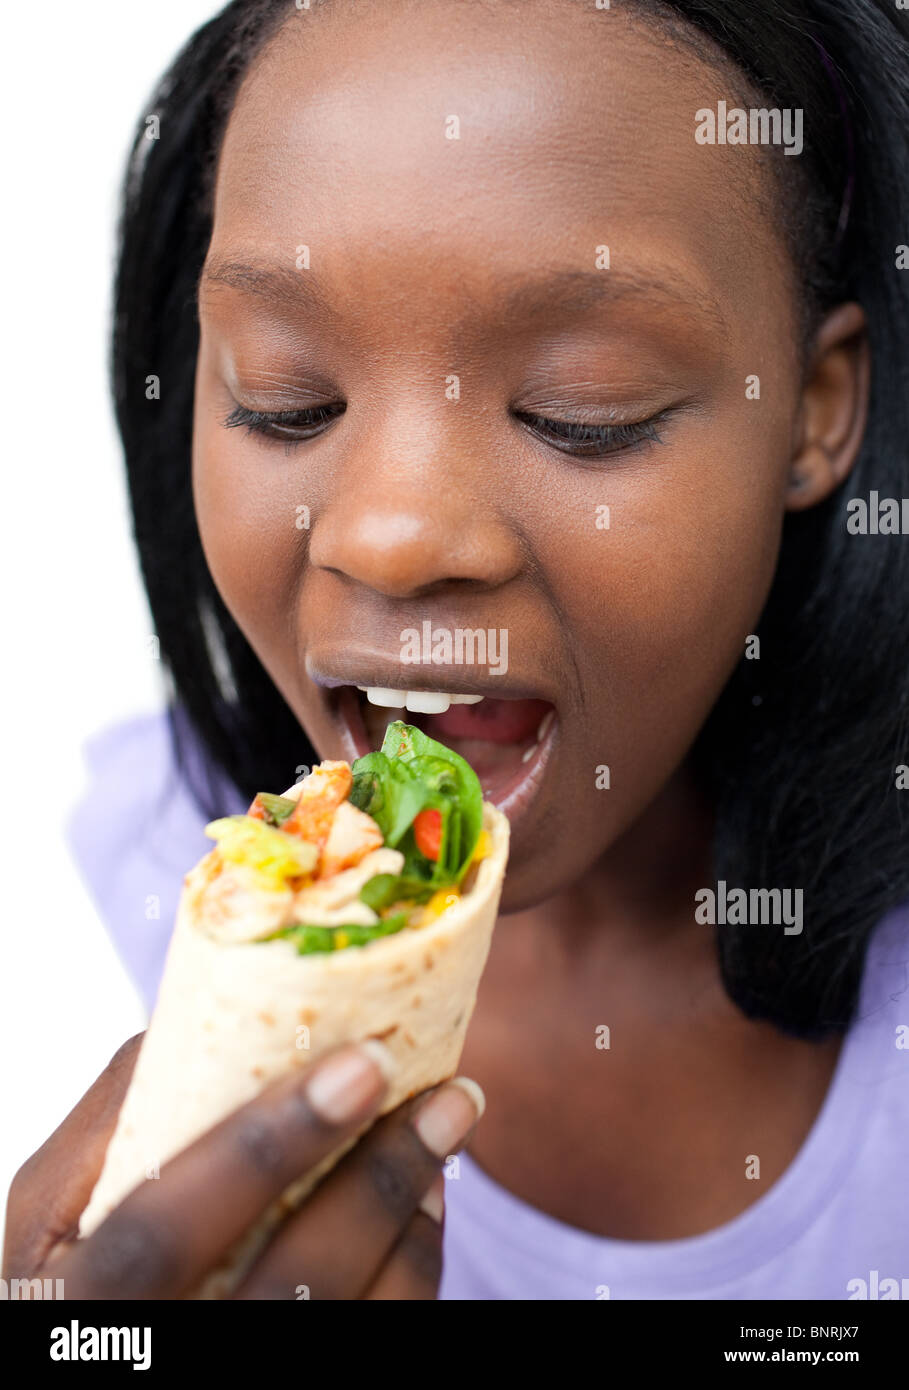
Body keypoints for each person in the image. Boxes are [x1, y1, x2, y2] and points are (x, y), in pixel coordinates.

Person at [5, 0, 909, 1300]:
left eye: (578, 409)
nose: (388, 536)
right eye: (284, 398)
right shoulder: (67, 920)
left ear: (813, 412)